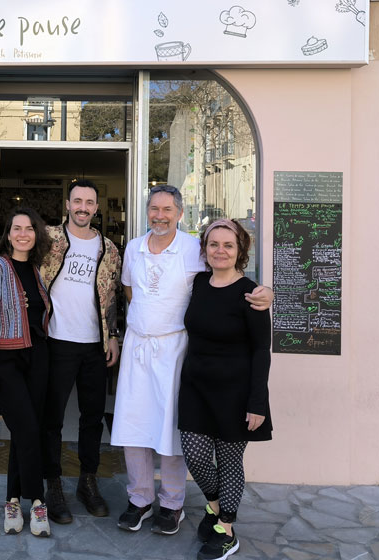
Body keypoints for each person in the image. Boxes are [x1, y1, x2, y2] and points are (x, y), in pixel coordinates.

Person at [111, 185, 271, 536]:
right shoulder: (134, 248)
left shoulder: (192, 249)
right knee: (133, 427)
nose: (160, 215)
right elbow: (129, 291)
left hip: (175, 351)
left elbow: (226, 273)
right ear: (147, 211)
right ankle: (139, 498)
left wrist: (266, 291)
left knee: (171, 429)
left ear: (180, 214)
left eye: (168, 209)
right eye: (154, 208)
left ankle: (171, 504)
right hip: (138, 348)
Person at [0, 179, 121, 524]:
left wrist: (113, 335)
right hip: (54, 342)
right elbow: (14, 251)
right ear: (67, 205)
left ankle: (88, 482)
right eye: (77, 201)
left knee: (91, 418)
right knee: (51, 421)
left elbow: (112, 296)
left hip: (94, 345)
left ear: (96, 208)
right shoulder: (50, 239)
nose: (83, 207)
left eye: (89, 202)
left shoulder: (111, 249)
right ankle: (52, 484)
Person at [179, 218, 272, 560]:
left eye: (228, 245)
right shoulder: (199, 283)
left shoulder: (252, 295)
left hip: (235, 390)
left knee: (230, 460)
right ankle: (216, 507)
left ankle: (227, 530)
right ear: (204, 250)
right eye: (214, 244)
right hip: (195, 386)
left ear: (240, 251)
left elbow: (262, 350)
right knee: (196, 455)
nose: (220, 250)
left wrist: (257, 402)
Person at [0, 207, 53, 537]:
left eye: (29, 228)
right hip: (6, 362)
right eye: (16, 228)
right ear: (7, 235)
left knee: (28, 431)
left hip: (37, 357)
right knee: (27, 430)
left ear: (36, 233)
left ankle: (12, 500)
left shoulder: (36, 268)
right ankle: (38, 502)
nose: (23, 233)